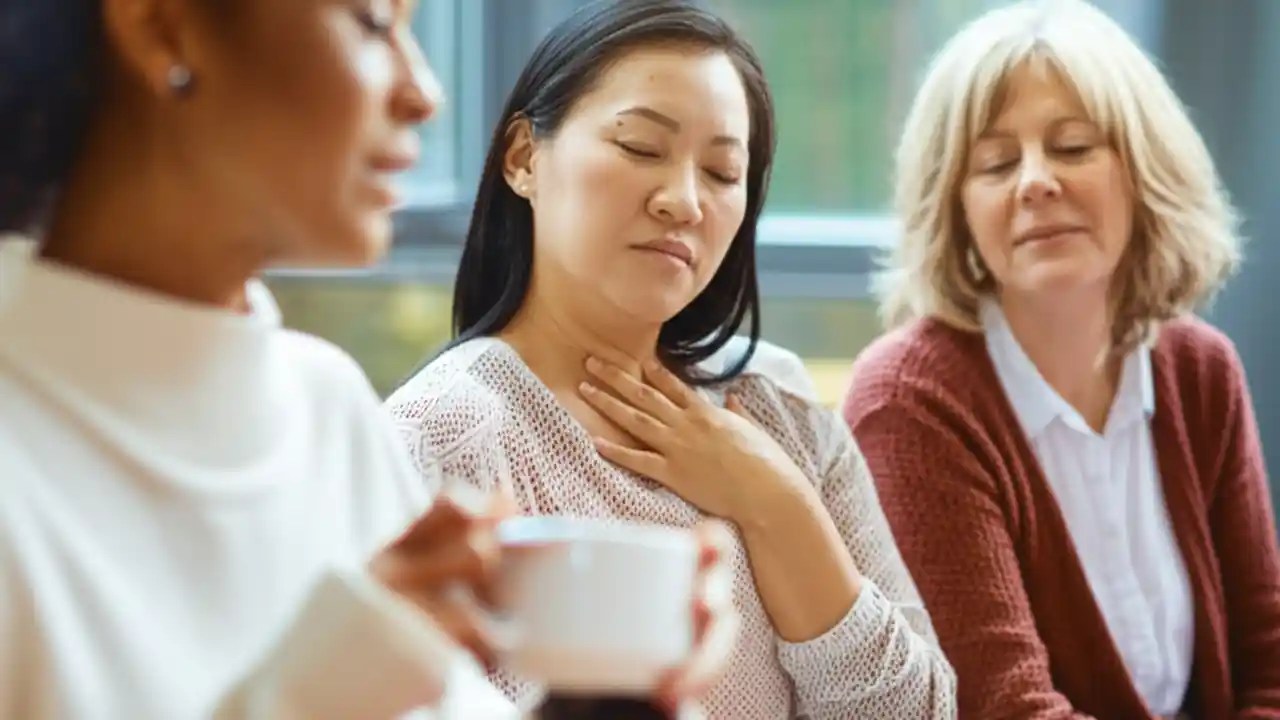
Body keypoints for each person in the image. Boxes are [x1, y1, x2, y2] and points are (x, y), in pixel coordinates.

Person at [0, 0, 733, 717]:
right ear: (161, 24)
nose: (424, 93)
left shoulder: (325, 405)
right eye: (373, 22)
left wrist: (603, 699)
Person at [387, 1, 957, 718]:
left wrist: (778, 507)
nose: (684, 201)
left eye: (722, 172)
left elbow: (921, 712)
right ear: (524, 158)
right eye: (639, 146)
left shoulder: (787, 421)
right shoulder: (441, 439)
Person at [842, 1, 1280, 718]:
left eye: (1073, 147)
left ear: (1144, 173)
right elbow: (1007, 709)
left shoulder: (1202, 371)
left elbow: (1268, 661)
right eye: (996, 163)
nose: (1036, 182)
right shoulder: (909, 401)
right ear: (956, 210)